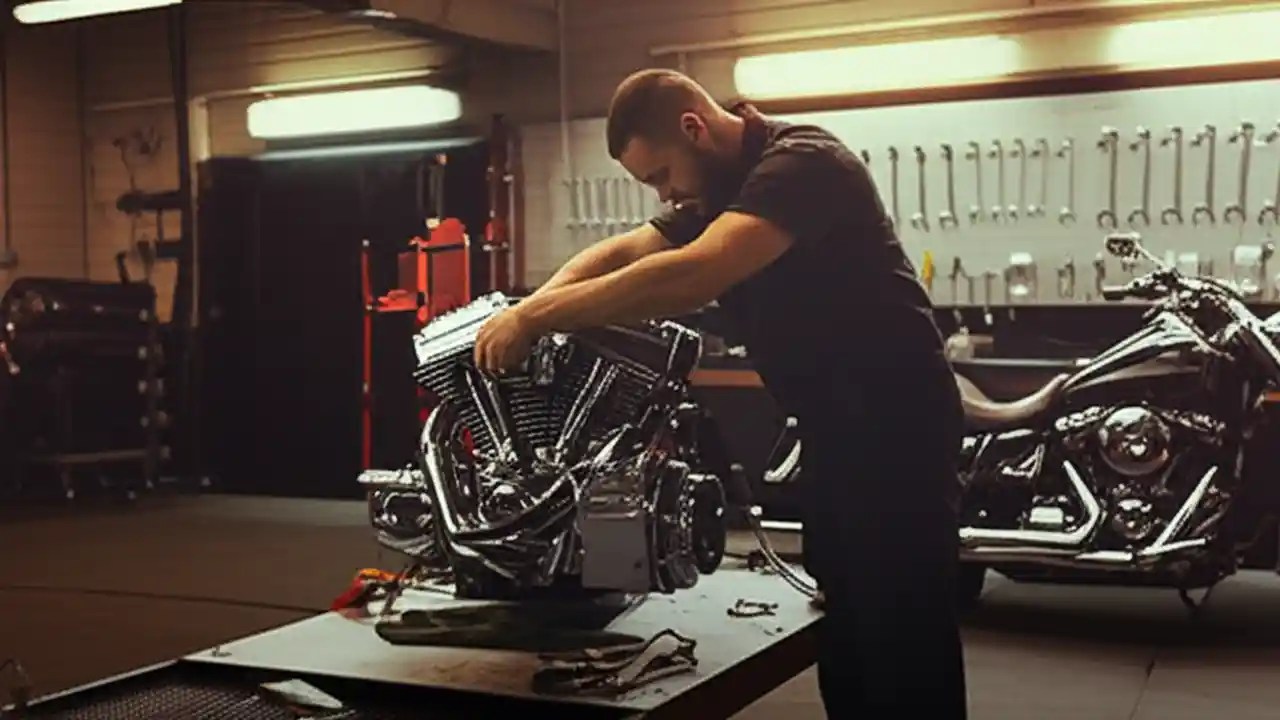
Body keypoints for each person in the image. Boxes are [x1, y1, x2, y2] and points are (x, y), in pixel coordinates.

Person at [473, 69, 967, 718]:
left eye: (661, 175)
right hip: (834, 431)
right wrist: (523, 309)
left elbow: (696, 273)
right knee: (847, 633)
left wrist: (537, 319)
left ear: (693, 128)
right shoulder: (717, 193)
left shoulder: (802, 163)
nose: (664, 193)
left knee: (904, 633)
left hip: (898, 429)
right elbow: (627, 251)